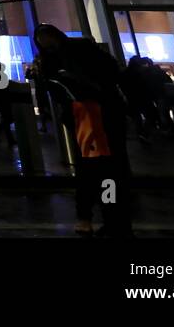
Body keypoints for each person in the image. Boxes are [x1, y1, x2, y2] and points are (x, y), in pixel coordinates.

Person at [34, 24, 132, 236]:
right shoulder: (75, 52)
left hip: (91, 116)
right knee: (106, 170)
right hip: (95, 115)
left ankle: (104, 217)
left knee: (98, 170)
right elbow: (112, 71)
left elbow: (59, 88)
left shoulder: (60, 58)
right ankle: (109, 217)